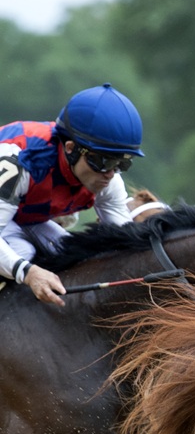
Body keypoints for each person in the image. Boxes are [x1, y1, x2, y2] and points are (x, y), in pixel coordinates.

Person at [0, 83, 144, 306]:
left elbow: (126, 241)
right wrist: (28, 273)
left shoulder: (109, 179)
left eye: (121, 163)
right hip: (9, 213)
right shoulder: (22, 160)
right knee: (24, 256)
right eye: (103, 161)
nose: (110, 174)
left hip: (20, 215)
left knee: (69, 251)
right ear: (70, 148)